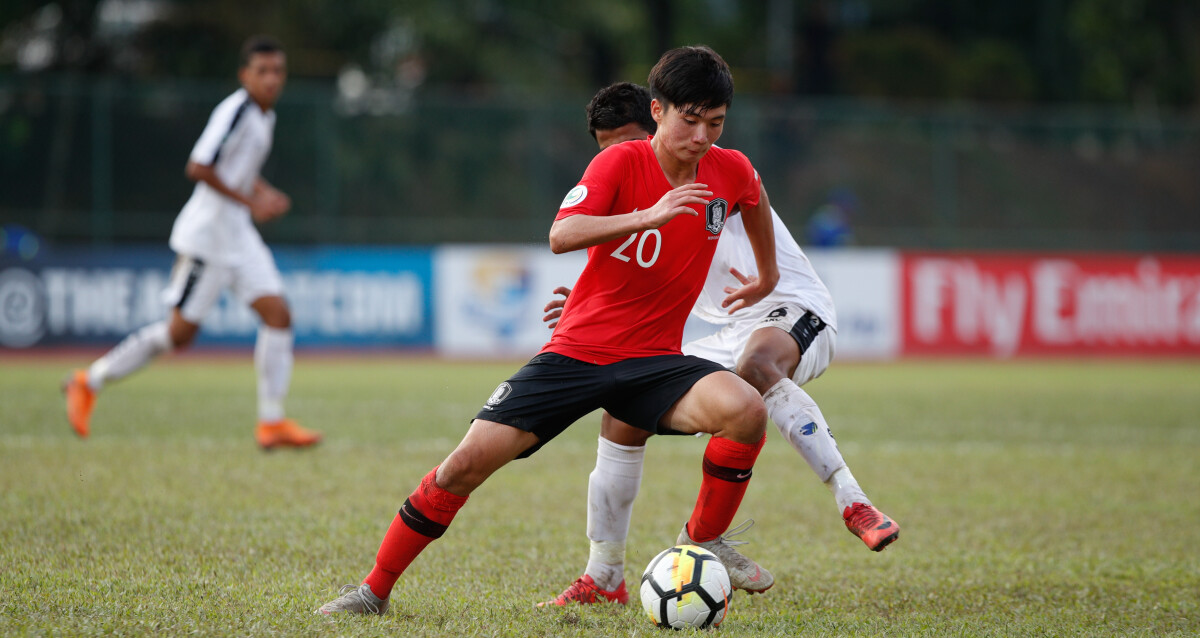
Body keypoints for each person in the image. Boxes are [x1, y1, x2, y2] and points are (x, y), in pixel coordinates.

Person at [318, 45, 779, 616]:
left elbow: (753, 198)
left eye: (715, 123)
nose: (702, 136)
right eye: (690, 119)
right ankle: (374, 590)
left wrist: (768, 275)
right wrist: (649, 215)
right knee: (462, 466)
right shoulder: (618, 162)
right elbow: (562, 234)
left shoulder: (727, 167)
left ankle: (702, 540)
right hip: (578, 353)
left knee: (746, 410)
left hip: (656, 359)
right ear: (657, 110)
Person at [537, 82, 899, 607]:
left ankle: (853, 501)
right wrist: (590, 303)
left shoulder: (704, 170)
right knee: (623, 412)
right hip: (725, 328)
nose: (616, 160)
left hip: (791, 308)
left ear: (660, 126)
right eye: (605, 150)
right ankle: (604, 575)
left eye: (625, 145)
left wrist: (768, 272)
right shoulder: (632, 189)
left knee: (756, 365)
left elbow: (744, 193)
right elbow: (644, 274)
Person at [62, 35, 321, 450]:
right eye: (263, 71)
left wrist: (261, 192)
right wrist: (250, 202)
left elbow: (236, 168)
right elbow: (199, 166)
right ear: (245, 75)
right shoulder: (235, 111)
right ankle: (86, 381)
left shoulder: (263, 116)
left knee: (278, 314)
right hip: (209, 238)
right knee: (178, 335)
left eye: (278, 71)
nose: (272, 79)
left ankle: (271, 423)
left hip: (238, 233)